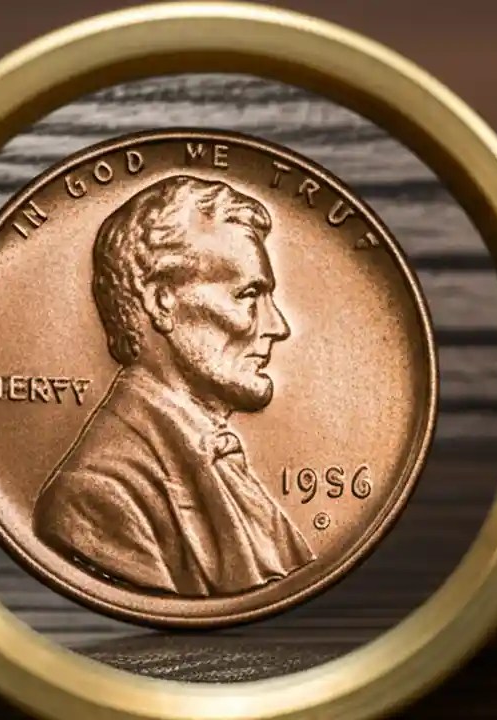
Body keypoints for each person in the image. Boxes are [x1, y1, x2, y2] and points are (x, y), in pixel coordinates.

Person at [33, 174, 314, 597]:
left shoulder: (218, 458)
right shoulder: (96, 494)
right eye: (248, 295)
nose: (278, 326)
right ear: (162, 300)